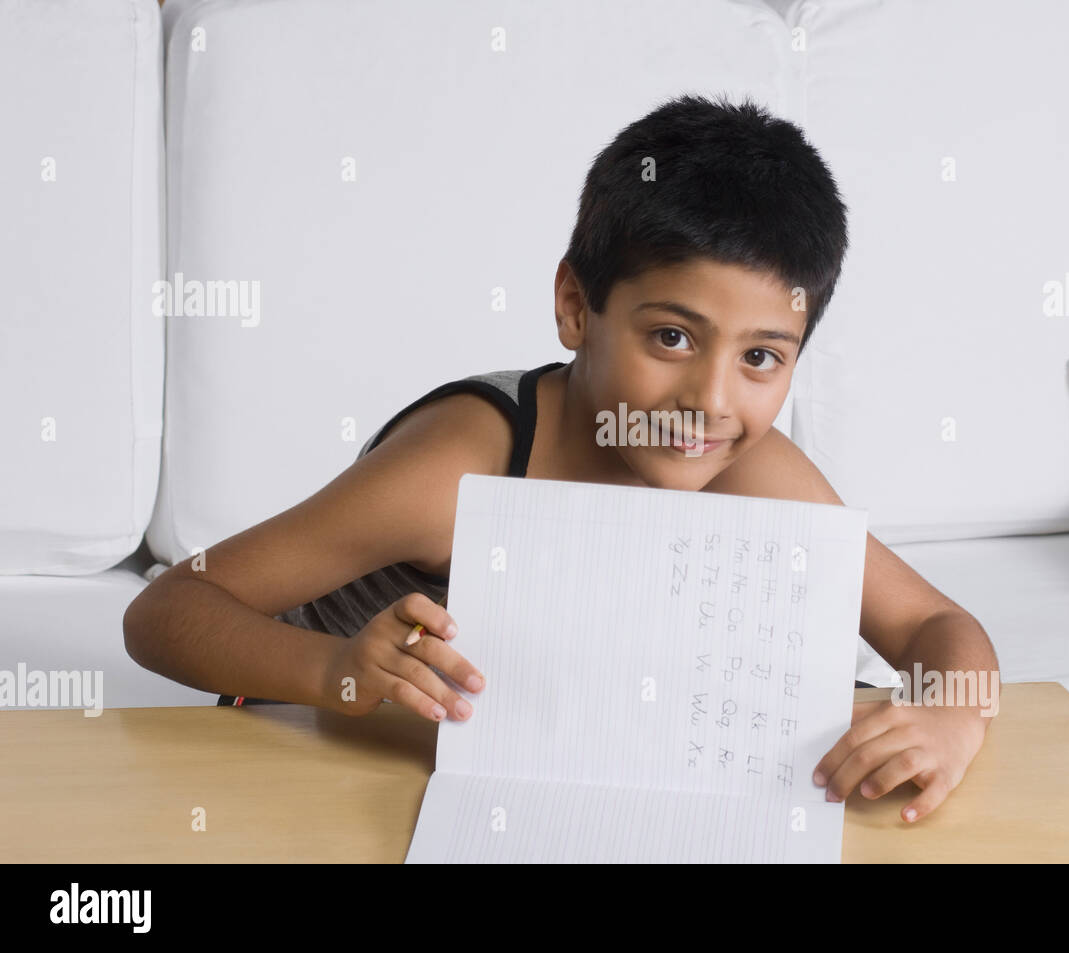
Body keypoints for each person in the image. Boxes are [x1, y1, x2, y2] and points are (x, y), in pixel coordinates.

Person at [124, 93, 999, 825]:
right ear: (576, 308)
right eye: (671, 336)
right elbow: (168, 608)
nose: (712, 400)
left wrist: (952, 713)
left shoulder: (754, 472)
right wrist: (337, 671)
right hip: (329, 756)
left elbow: (936, 629)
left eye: (761, 357)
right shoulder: (463, 463)